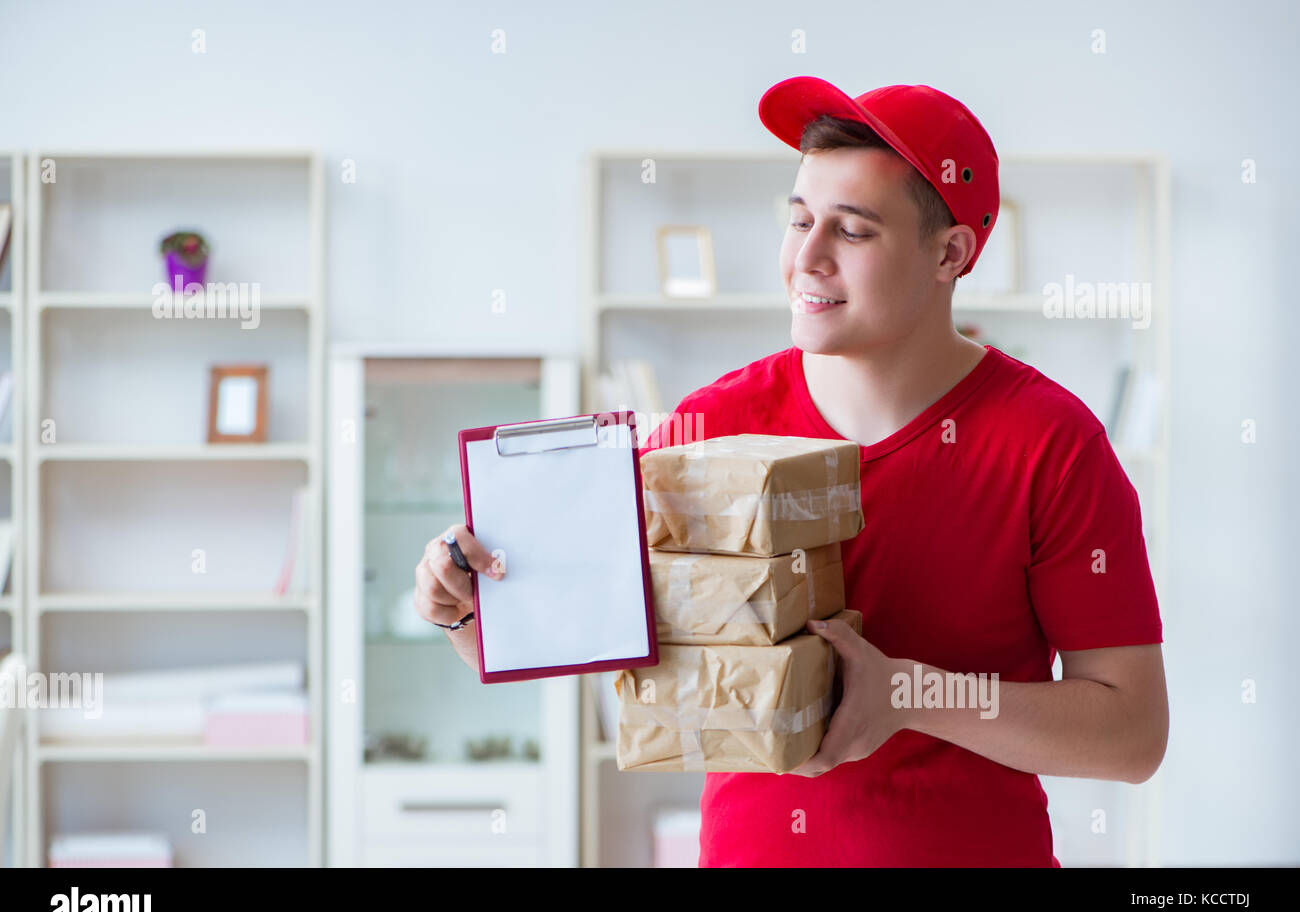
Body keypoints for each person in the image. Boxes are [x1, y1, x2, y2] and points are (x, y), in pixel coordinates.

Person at [415, 76, 1169, 867]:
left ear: (950, 253)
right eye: (800, 220)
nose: (806, 258)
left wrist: (910, 694)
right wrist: (466, 612)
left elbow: (1131, 735)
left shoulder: (1051, 443)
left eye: (852, 231)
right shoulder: (708, 425)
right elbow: (582, 642)